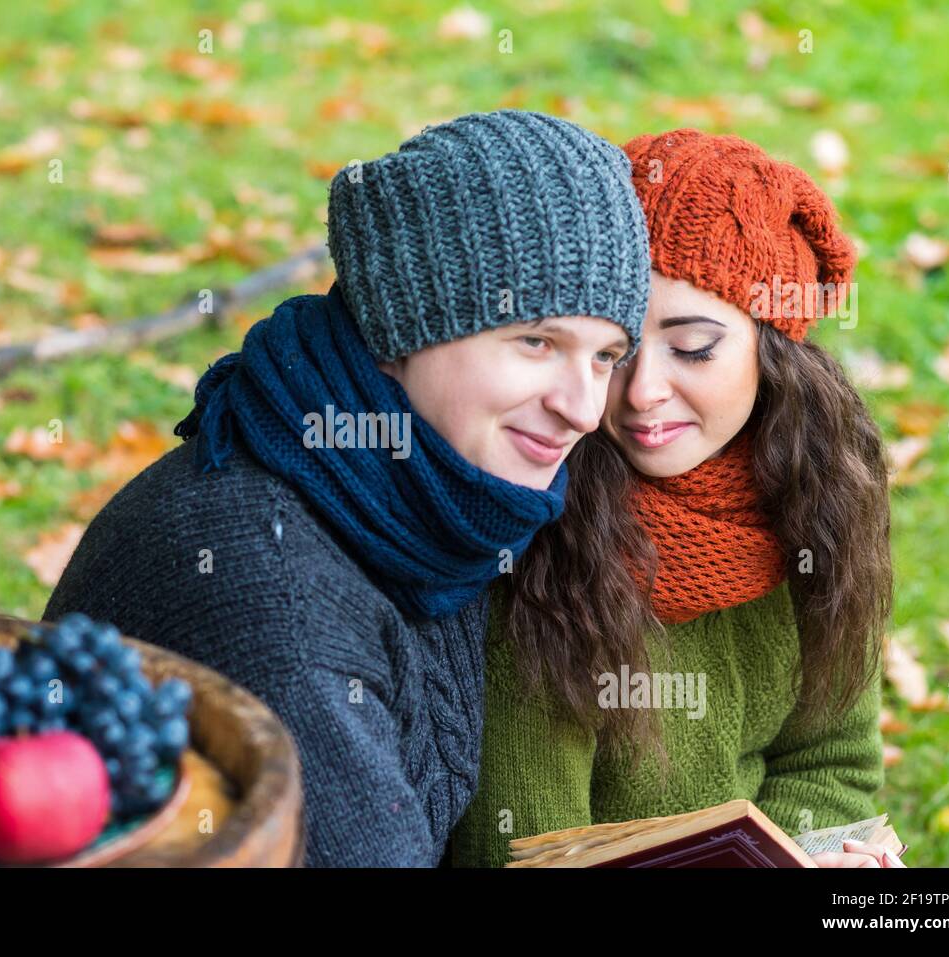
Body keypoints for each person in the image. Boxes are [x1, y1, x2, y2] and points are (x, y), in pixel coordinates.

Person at [43, 110, 651, 866]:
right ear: (400, 331)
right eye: (537, 341)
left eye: (605, 357)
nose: (583, 406)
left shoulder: (427, 492)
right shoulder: (279, 599)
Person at [451, 129, 897, 868]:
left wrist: (814, 855)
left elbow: (834, 765)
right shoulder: (538, 532)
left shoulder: (820, 499)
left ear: (774, 348)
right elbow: (521, 846)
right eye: (615, 348)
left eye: (692, 347)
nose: (642, 391)